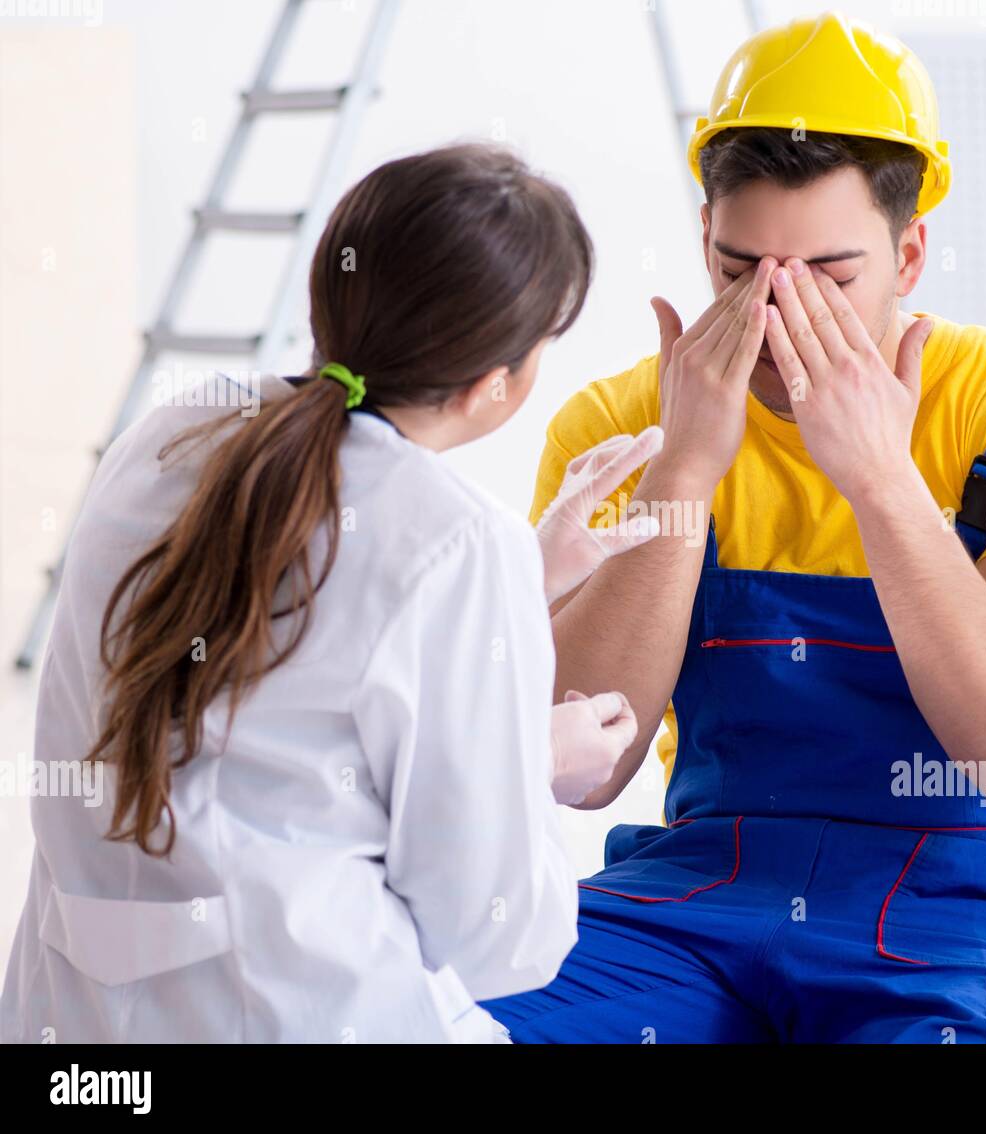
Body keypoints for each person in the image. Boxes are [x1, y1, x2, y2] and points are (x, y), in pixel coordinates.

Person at [484, 13, 986, 1043]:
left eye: (829, 280)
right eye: (737, 270)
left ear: (910, 253)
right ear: (702, 235)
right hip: (703, 889)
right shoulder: (622, 427)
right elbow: (584, 764)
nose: (773, 321)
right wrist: (683, 472)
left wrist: (882, 484)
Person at [1, 144, 661, 1043]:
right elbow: (501, 938)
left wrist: (523, 582)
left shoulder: (176, 428)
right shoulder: (460, 541)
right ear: (496, 384)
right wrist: (530, 759)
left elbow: (275, 663)